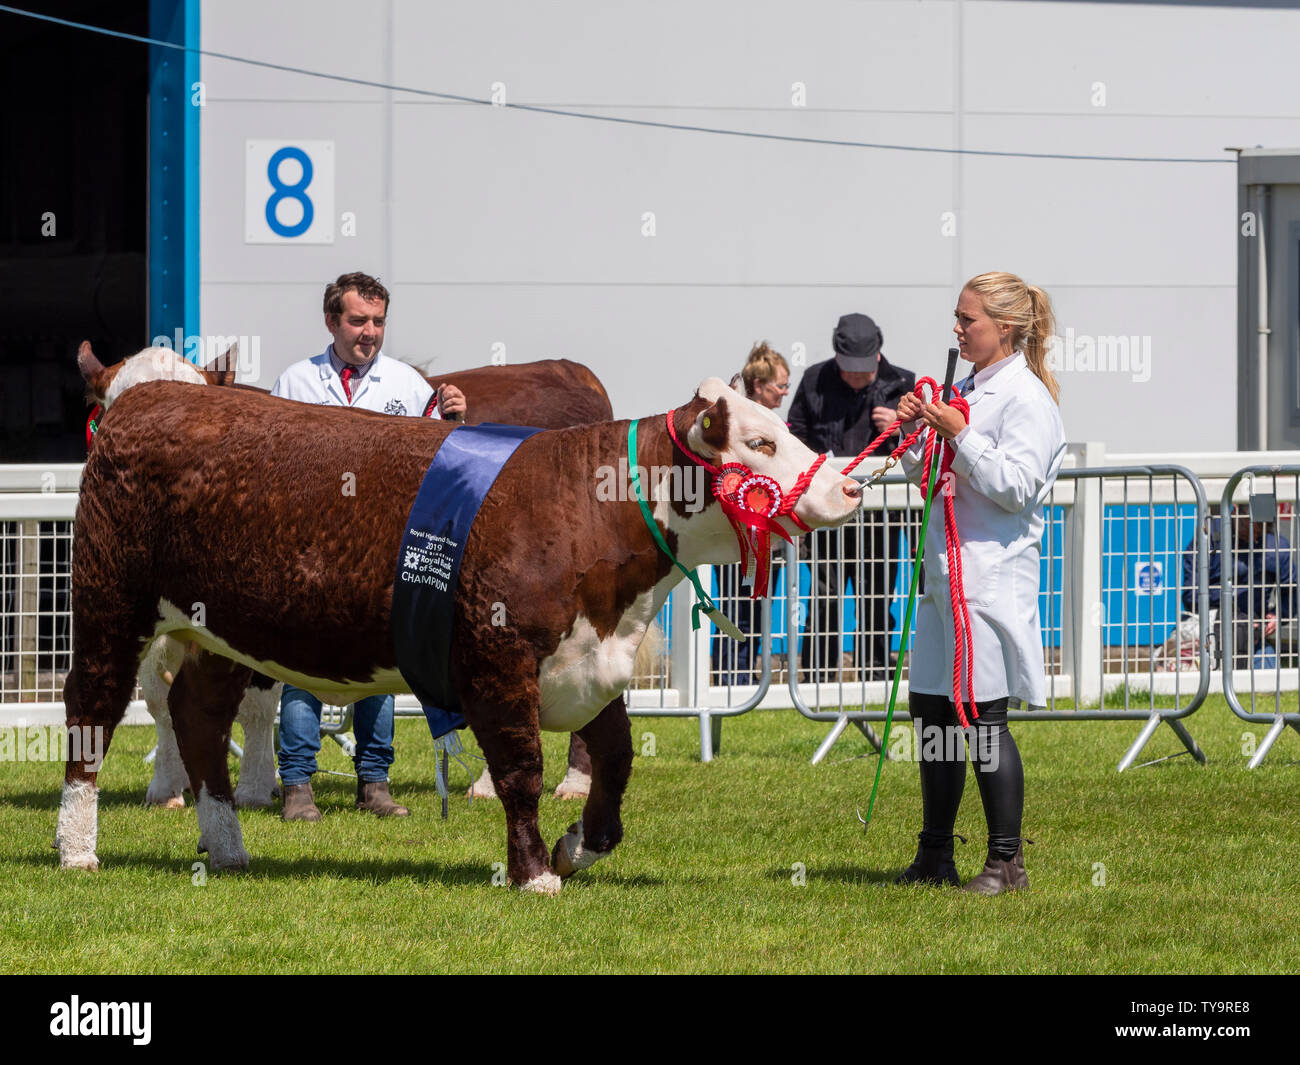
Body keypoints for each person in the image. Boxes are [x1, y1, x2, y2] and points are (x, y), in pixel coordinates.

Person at [892, 272, 1066, 894]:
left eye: (970, 321)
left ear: (1008, 327)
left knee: (981, 719)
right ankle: (936, 851)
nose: (959, 329)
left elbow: (1017, 487)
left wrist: (957, 433)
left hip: (989, 579)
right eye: (958, 319)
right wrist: (914, 435)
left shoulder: (1027, 399)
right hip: (945, 577)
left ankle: (1006, 861)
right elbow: (939, 471)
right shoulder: (966, 387)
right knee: (933, 712)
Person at [271, 271, 467, 822]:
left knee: (380, 666)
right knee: (304, 663)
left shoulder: (408, 383)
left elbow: (438, 458)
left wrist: (452, 418)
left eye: (379, 321)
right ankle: (297, 786)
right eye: (359, 320)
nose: (370, 332)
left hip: (385, 550)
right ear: (332, 321)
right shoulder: (294, 382)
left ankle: (375, 784)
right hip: (312, 549)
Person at [787, 314, 915, 681]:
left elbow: (922, 443)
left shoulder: (904, 383)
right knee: (825, 595)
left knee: (876, 596)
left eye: (863, 369)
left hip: (880, 516)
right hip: (827, 513)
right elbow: (796, 437)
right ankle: (817, 677)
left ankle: (875, 676)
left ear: (878, 354)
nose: (857, 377)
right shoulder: (814, 380)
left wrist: (898, 424)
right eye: (849, 370)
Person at [715, 342, 790, 683]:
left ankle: (743, 679)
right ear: (759, 386)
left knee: (756, 610)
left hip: (766, 538)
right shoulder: (741, 428)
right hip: (734, 535)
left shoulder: (776, 426)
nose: (785, 393)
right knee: (735, 609)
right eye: (780, 386)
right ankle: (731, 679)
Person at [1181, 509, 1294, 669]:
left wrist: (1278, 615)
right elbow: (1191, 594)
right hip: (1210, 630)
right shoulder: (1210, 535)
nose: (1254, 536)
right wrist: (1235, 616)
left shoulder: (1275, 545)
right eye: (1250, 527)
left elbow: (1291, 591)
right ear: (1235, 512)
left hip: (1252, 637)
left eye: (1260, 530)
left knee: (1270, 683)